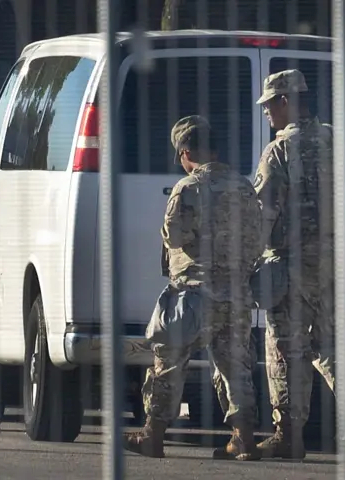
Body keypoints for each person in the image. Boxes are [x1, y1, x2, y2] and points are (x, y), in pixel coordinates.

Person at [124, 115, 263, 461]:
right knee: (236, 367)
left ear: (186, 152)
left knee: (168, 362)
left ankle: (152, 436)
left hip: (193, 295)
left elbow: (174, 236)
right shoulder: (244, 187)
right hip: (237, 294)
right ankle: (244, 439)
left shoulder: (187, 189)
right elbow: (258, 238)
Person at [252, 69, 345, 459]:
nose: (267, 112)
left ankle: (288, 435)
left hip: (291, 263)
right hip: (332, 261)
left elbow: (263, 213)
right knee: (330, 345)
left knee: (284, 348)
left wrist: (246, 258)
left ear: (286, 100)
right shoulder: (337, 142)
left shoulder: (279, 151)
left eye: (270, 104)